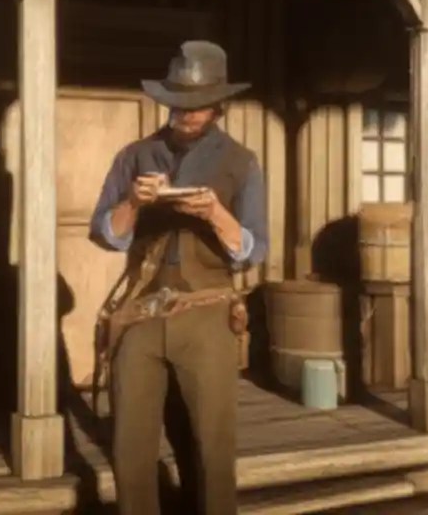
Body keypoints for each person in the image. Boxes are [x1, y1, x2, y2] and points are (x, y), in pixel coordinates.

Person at [89, 40, 268, 515]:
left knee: (213, 449)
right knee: (130, 446)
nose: (186, 114)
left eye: (198, 104)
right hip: (140, 315)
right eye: (178, 103)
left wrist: (214, 213)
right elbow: (104, 234)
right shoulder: (136, 156)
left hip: (207, 316)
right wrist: (133, 203)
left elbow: (254, 249)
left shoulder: (241, 162)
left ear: (218, 105)